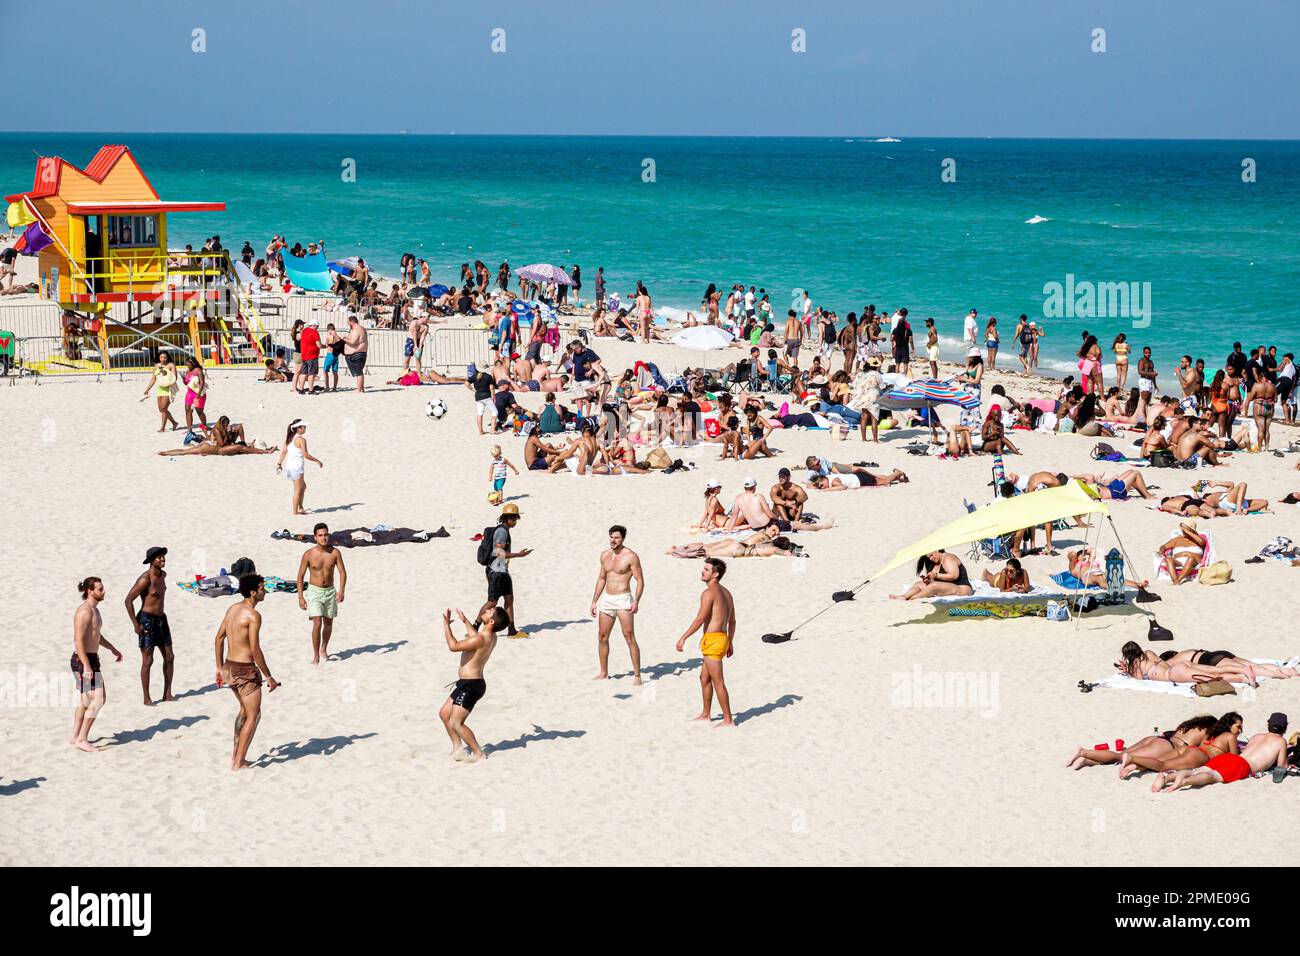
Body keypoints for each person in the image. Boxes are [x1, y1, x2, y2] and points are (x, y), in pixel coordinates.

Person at [214, 575, 280, 771]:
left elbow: (219, 638)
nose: (265, 591)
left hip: (229, 667)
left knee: (243, 710)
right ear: (253, 592)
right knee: (254, 715)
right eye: (262, 589)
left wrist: (219, 668)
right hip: (244, 669)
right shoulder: (253, 615)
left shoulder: (232, 609)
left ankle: (236, 755)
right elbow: (254, 650)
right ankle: (239, 762)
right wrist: (269, 676)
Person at [437, 606, 507, 761]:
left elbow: (453, 646)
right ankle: (457, 747)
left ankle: (479, 754)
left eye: (490, 612)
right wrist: (464, 621)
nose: (486, 610)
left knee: (456, 722)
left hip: (471, 686)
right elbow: (476, 637)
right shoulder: (491, 636)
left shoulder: (481, 638)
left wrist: (446, 626)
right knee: (444, 714)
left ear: (491, 621)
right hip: (466, 683)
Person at [675, 558, 737, 727]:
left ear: (715, 574)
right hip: (721, 639)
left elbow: (700, 619)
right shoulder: (727, 593)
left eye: (707, 569)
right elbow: (732, 622)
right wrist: (729, 642)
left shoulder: (709, 593)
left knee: (718, 682)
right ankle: (706, 714)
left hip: (713, 641)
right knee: (704, 678)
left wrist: (684, 637)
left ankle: (728, 720)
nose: (703, 571)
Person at [69, 577, 124, 752]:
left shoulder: (95, 611)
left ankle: (74, 736)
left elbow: (96, 636)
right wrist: (86, 665)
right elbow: (78, 641)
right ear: (89, 591)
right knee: (99, 699)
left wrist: (112, 649)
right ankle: (82, 739)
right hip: (83, 659)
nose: (103, 591)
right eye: (100, 589)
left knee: (86, 699)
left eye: (103, 588)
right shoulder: (84, 611)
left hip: (91, 659)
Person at [589, 525, 645, 684]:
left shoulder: (631, 556)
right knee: (602, 636)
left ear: (623, 539)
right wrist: (594, 601)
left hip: (623, 599)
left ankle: (637, 675)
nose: (613, 540)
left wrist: (636, 600)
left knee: (629, 636)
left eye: (617, 538)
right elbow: (601, 578)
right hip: (607, 599)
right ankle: (604, 672)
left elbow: (640, 580)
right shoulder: (604, 555)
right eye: (611, 537)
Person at [125, 546, 175, 706]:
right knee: (148, 660)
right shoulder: (145, 579)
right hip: (146, 620)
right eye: (159, 557)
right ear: (152, 561)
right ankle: (146, 698)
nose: (163, 559)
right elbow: (128, 600)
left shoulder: (163, 575)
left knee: (170, 657)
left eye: (163, 557)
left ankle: (167, 693)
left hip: (161, 619)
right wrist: (135, 624)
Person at [296, 522, 347, 664]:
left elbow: (342, 572)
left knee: (328, 623)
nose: (324, 538)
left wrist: (342, 590)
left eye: (326, 535)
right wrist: (300, 597)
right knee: (317, 623)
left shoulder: (335, 553)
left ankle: (323, 648)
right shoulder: (308, 555)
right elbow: (300, 576)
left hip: (330, 592)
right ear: (315, 537)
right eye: (320, 535)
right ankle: (316, 655)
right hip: (314, 592)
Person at [481, 503, 529, 636]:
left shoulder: (505, 530)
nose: (515, 521)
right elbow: (498, 552)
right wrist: (519, 555)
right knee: (492, 602)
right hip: (496, 571)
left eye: (516, 518)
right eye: (514, 518)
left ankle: (512, 630)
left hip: (503, 571)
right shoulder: (502, 531)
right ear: (506, 518)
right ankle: (474, 627)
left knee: (509, 599)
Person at [276, 419, 322, 515]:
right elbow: (306, 455)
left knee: (303, 487)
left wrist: (279, 464)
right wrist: (317, 461)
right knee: (297, 490)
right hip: (296, 468)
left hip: (289, 468)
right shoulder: (301, 440)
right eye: (303, 427)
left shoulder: (289, 438)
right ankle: (295, 512)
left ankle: (300, 508)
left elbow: (284, 451)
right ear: (298, 428)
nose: (305, 428)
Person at [889, 550, 974, 600]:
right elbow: (938, 580)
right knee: (919, 584)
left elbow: (953, 576)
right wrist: (929, 580)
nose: (931, 558)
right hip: (949, 587)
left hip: (962, 588)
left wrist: (936, 575)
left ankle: (912, 599)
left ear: (936, 550)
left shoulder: (948, 558)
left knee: (934, 586)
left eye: (931, 555)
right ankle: (904, 596)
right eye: (929, 557)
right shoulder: (936, 564)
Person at [141, 351, 180, 432]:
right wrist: (147, 389)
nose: (163, 359)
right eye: (161, 357)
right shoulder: (157, 366)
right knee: (161, 409)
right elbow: (153, 379)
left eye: (165, 357)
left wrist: (165, 373)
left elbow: (175, 377)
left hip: (168, 389)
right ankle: (174, 423)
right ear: (159, 357)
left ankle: (162, 427)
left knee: (164, 408)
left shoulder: (171, 365)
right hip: (160, 389)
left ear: (167, 357)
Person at [808, 468, 908, 490]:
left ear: (824, 479)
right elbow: (810, 485)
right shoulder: (828, 477)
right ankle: (898, 477)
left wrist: (827, 489)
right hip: (857, 476)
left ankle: (897, 473)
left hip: (861, 479)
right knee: (881, 479)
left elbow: (842, 487)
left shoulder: (834, 481)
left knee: (885, 481)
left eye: (822, 484)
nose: (822, 487)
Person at [343, 314, 368, 392]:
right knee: (359, 372)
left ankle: (359, 389)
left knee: (359, 372)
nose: (348, 325)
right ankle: (361, 388)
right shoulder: (362, 328)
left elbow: (353, 342)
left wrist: (344, 339)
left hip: (357, 353)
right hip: (360, 352)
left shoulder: (357, 330)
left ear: (352, 322)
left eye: (348, 323)